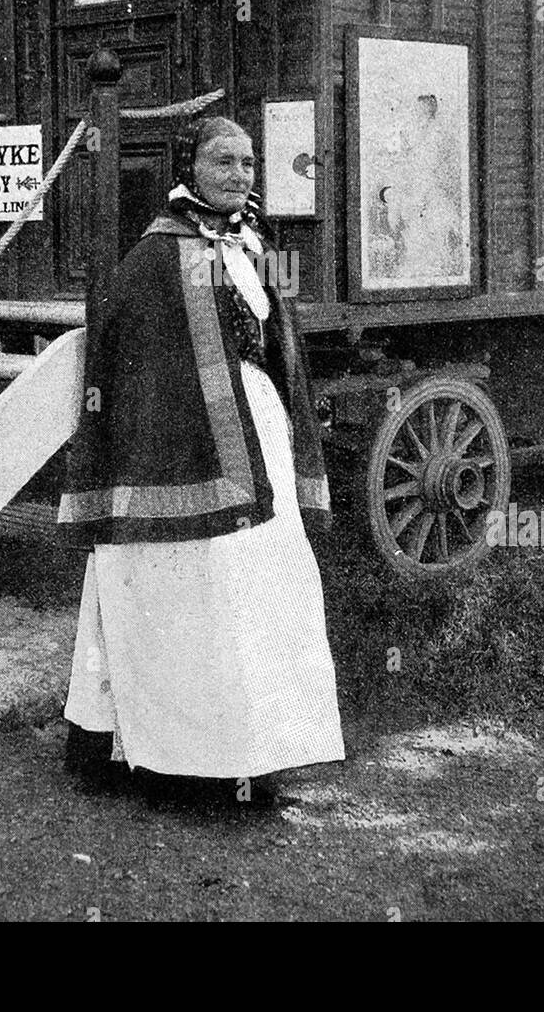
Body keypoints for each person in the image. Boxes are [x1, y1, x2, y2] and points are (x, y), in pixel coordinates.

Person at [57, 114, 345, 811]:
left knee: (260, 592)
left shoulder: (253, 241)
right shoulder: (155, 259)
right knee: (197, 595)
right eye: (224, 162)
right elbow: (133, 363)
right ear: (189, 169)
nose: (240, 175)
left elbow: (279, 343)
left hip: (257, 441)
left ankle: (255, 752)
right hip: (181, 452)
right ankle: (185, 762)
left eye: (249, 163)